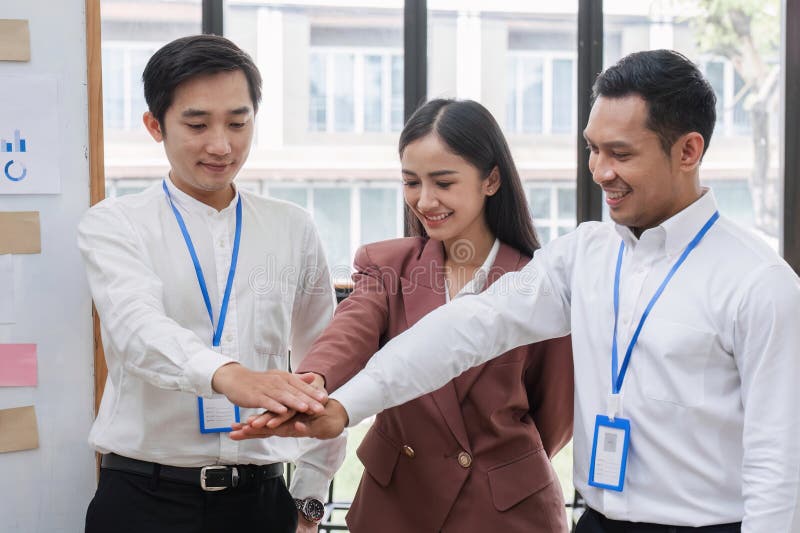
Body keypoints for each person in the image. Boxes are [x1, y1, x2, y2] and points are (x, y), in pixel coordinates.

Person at [236, 50, 800, 532]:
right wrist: (342, 406)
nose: (599, 171)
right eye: (592, 149)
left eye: (621, 153)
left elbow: (780, 466)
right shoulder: (585, 254)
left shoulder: (759, 284)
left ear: (688, 151)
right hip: (597, 521)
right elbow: (465, 330)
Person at [235, 99, 574, 531]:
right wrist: (315, 382)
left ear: (491, 179)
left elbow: (554, 416)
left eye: (443, 182)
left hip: (503, 511)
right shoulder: (387, 265)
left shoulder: (539, 282)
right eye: (411, 182)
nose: (425, 200)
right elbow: (350, 333)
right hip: (398, 505)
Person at [78, 35, 345, 533]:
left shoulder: (292, 227)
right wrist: (231, 375)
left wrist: (309, 494)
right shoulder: (116, 223)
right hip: (144, 499)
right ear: (155, 125)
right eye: (197, 124)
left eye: (238, 123)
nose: (221, 145)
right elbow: (137, 331)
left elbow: (325, 362)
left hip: (261, 500)